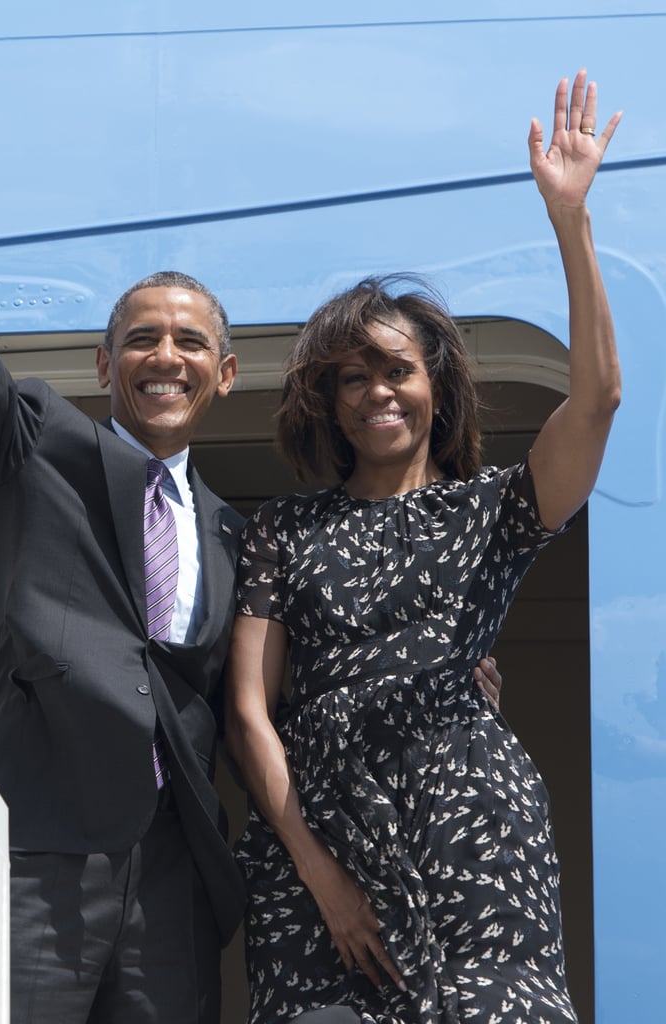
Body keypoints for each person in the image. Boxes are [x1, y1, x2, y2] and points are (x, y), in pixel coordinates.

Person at [0, 7, 504, 1022]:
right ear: (103, 363)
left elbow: (280, 693)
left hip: (178, 876)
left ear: (223, 372)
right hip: (42, 858)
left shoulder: (235, 533)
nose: (163, 355)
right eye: (140, 338)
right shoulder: (30, 446)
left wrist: (439, 668)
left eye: (187, 341)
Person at [225, 70, 621, 1024]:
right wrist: (318, 873)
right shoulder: (285, 528)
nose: (376, 392)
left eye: (396, 369)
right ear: (328, 401)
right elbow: (248, 713)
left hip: (472, 822)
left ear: (435, 384)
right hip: (318, 830)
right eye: (351, 377)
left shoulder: (497, 508)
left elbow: (598, 400)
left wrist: (569, 222)